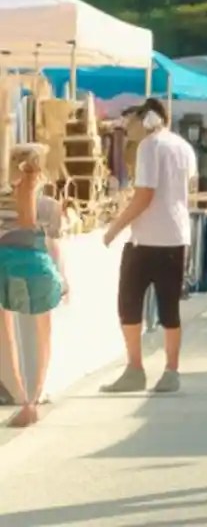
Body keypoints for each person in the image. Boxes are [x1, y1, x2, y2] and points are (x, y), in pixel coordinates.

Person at [101, 98, 198, 396]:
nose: (127, 130)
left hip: (147, 239)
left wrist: (116, 227)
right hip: (176, 235)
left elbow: (145, 195)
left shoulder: (149, 146)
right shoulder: (183, 146)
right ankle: (171, 370)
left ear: (146, 120)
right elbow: (189, 187)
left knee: (128, 304)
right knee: (169, 306)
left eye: (129, 122)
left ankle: (135, 368)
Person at [0, 144, 68, 427]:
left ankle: (20, 395)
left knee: (7, 335)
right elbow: (53, 244)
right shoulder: (50, 205)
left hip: (4, 268)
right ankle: (36, 396)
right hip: (39, 267)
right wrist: (63, 278)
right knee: (43, 335)